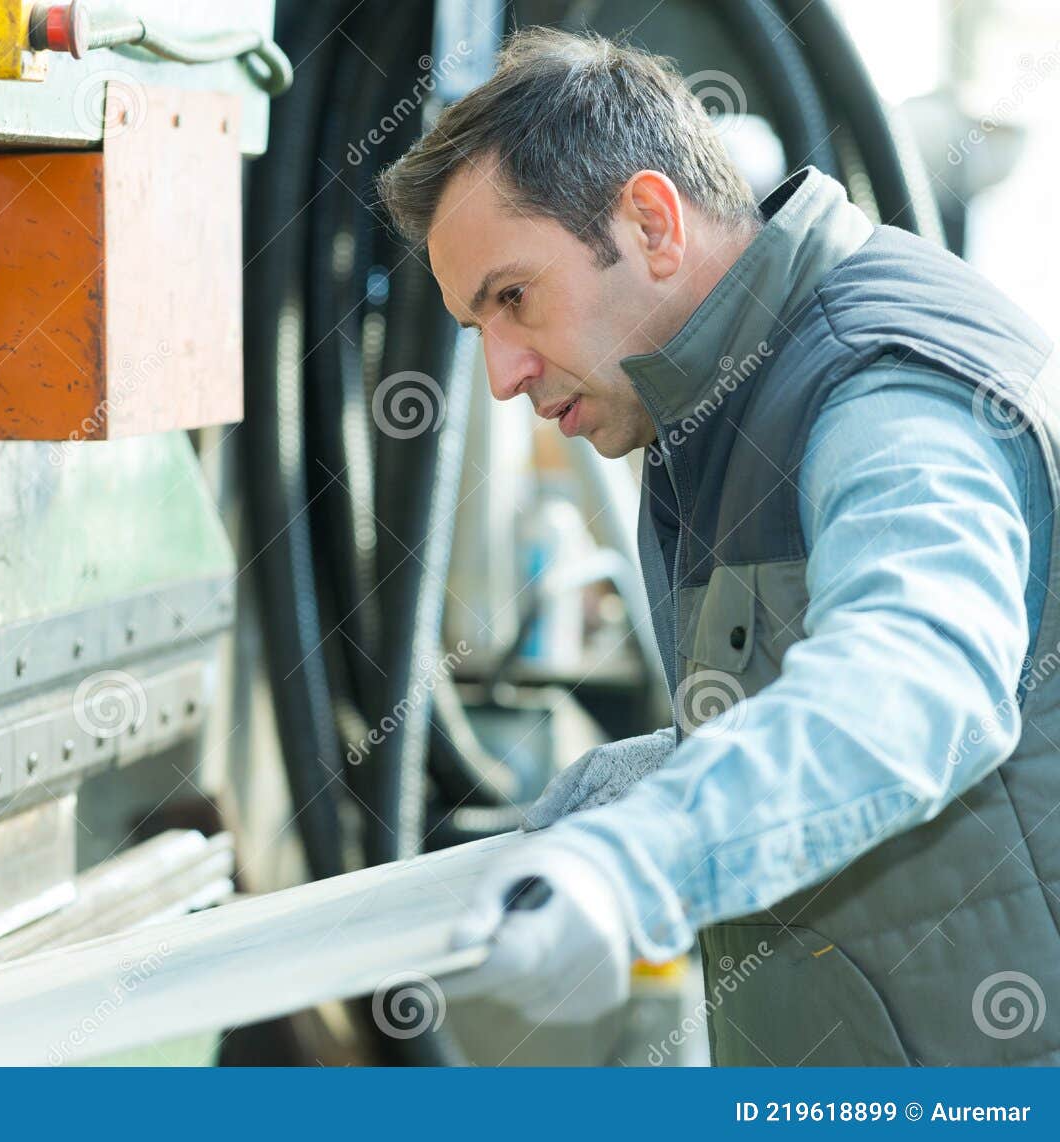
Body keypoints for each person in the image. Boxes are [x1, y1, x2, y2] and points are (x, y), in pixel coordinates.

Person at [377, 26, 1059, 1065]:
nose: (502, 374)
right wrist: (669, 770)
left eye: (513, 297)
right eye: (476, 329)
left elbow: (919, 686)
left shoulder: (882, 390)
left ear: (651, 222)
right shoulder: (712, 401)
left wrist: (635, 866)